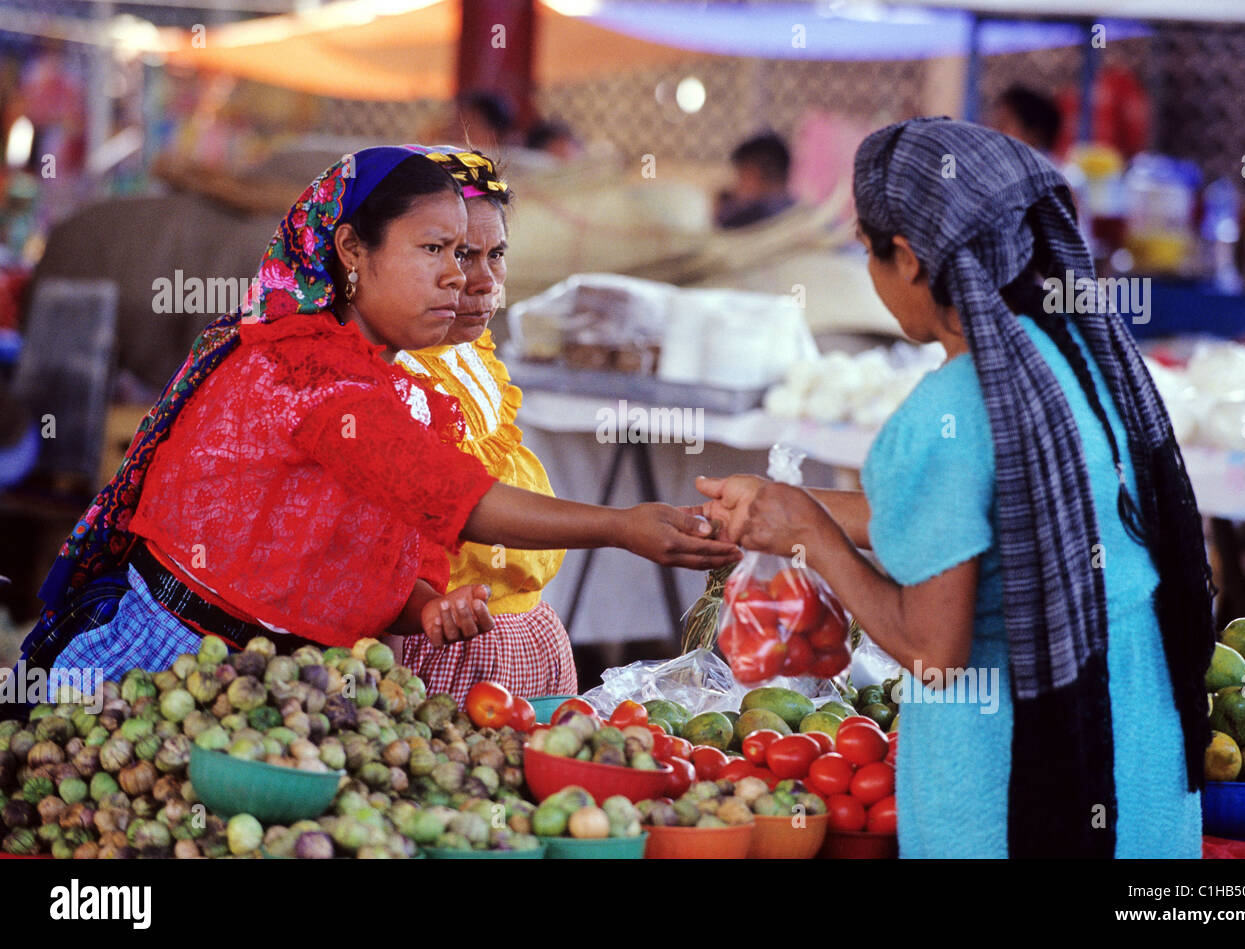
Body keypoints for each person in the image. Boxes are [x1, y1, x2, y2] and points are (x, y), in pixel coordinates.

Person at [19, 145, 738, 697]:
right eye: (435, 250)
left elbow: (338, 537)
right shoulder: (303, 374)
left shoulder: (395, 387)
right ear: (352, 251)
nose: (461, 276)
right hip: (162, 671)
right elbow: (457, 499)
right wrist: (618, 527)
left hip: (273, 685)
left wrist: (424, 607)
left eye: (470, 253)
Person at [698, 118, 1214, 859]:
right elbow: (979, 517)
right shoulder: (1080, 359)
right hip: (1136, 754)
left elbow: (932, 649)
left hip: (1013, 781)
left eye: (867, 250)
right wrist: (790, 511)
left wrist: (815, 536)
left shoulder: (943, 414)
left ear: (906, 260)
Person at [383, 147, 573, 702]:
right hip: (445, 661)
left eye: (497, 254)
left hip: (527, 640)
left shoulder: (472, 353)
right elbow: (385, 564)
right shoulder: (395, 377)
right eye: (461, 254)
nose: (485, 280)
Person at [714, 132, 797, 230]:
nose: (736, 185)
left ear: (753, 173)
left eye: (741, 175)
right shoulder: (801, 211)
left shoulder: (750, 217)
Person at [990, 84, 1062, 155]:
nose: (993, 130)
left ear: (1032, 134)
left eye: (1002, 124)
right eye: (994, 123)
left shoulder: (1051, 165)